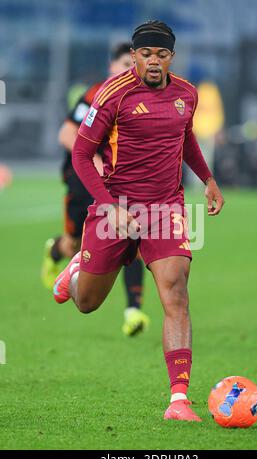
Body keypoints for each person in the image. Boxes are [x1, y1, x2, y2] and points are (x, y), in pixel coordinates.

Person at [53, 20, 224, 421]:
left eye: (161, 55)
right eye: (146, 54)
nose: (153, 61)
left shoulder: (187, 94)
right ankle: (76, 271)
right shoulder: (112, 94)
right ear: (134, 56)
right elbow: (81, 154)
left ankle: (178, 400)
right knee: (88, 303)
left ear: (171, 58)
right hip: (116, 208)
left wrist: (209, 179)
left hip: (166, 208)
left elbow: (185, 138)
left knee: (176, 293)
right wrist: (109, 205)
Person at [41, 43, 149, 336]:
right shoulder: (96, 93)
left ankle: (133, 311)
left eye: (135, 63)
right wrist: (98, 162)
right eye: (126, 62)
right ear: (111, 66)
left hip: (115, 184)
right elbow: (66, 133)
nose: (131, 69)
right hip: (83, 178)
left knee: (131, 236)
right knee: (75, 244)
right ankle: (57, 250)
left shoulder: (142, 99)